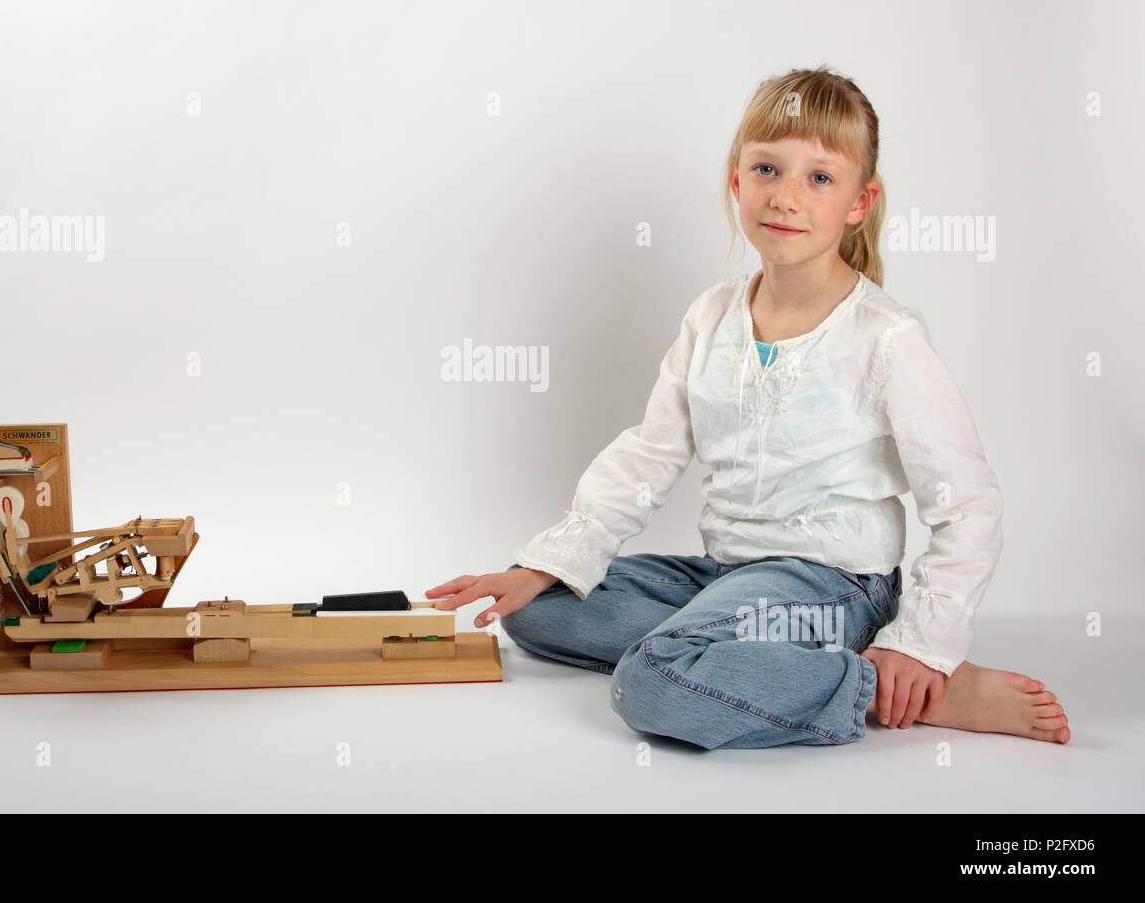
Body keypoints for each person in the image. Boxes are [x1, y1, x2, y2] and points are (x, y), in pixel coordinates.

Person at [425, 65, 1070, 750]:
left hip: (830, 585)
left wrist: (922, 641)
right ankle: (733, 654)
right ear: (737, 180)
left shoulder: (885, 337)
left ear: (860, 201)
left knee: (653, 681)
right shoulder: (712, 316)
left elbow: (969, 502)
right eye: (767, 168)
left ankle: (874, 686)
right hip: (728, 574)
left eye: (819, 177)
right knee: (540, 609)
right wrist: (549, 561)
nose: (786, 196)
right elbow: (652, 450)